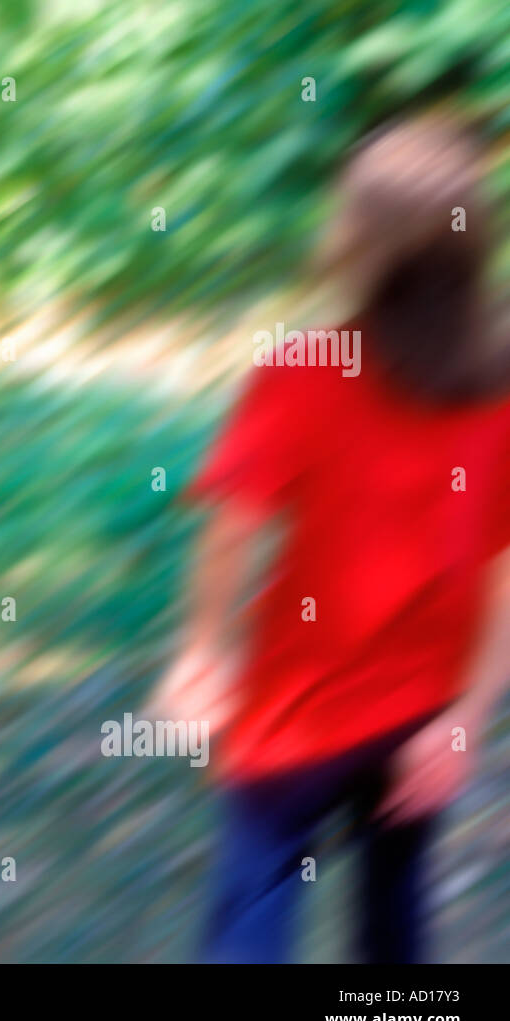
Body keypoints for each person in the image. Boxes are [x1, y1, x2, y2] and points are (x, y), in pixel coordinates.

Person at [152, 112, 510, 963]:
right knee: (394, 925)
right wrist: (464, 720)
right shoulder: (497, 391)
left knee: (255, 907)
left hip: (295, 718)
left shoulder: (307, 369)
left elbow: (232, 521)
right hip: (422, 719)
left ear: (361, 244)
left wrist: (204, 648)